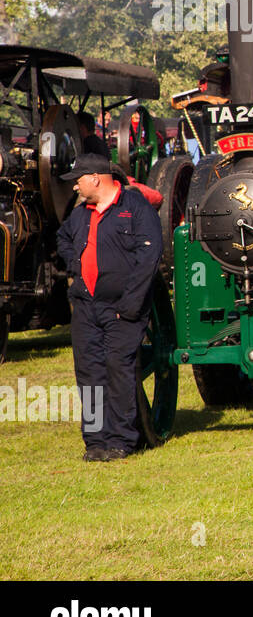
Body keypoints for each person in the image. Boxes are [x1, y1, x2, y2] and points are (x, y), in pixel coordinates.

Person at [55, 153, 163, 462]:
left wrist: (130, 304)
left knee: (119, 371)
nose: (75, 185)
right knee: (89, 374)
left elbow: (149, 256)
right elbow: (62, 239)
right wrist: (75, 263)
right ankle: (95, 442)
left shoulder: (135, 208)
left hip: (122, 308)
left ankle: (120, 441)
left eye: (78, 179)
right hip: (86, 307)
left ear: (94, 178)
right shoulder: (80, 214)